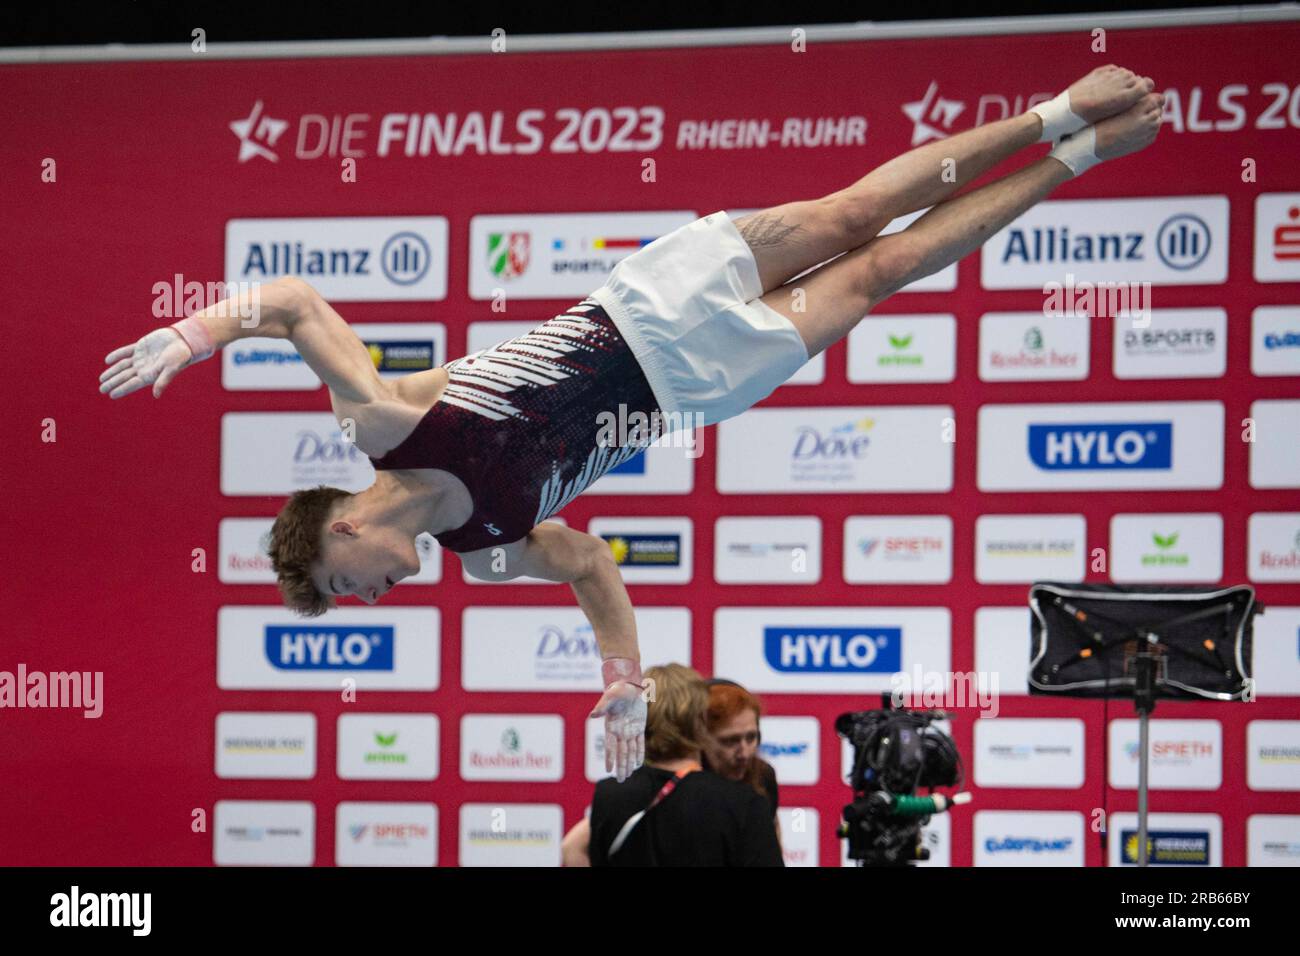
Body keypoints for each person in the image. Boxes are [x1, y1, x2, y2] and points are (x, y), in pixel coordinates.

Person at [99, 66, 1163, 782]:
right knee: (884, 270)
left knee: (849, 215)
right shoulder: (489, 553)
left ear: (337, 526)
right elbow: (593, 563)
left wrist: (193, 336)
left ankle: (1056, 113)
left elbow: (288, 303)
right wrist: (620, 683)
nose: (370, 595)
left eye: (346, 583)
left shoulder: (384, 422)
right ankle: (1078, 164)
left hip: (648, 305)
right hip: (696, 385)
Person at [561, 675, 781, 865]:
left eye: (751, 737)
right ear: (699, 736)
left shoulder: (762, 775)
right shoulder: (674, 780)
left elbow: (771, 838)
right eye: (729, 741)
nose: (744, 752)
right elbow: (573, 847)